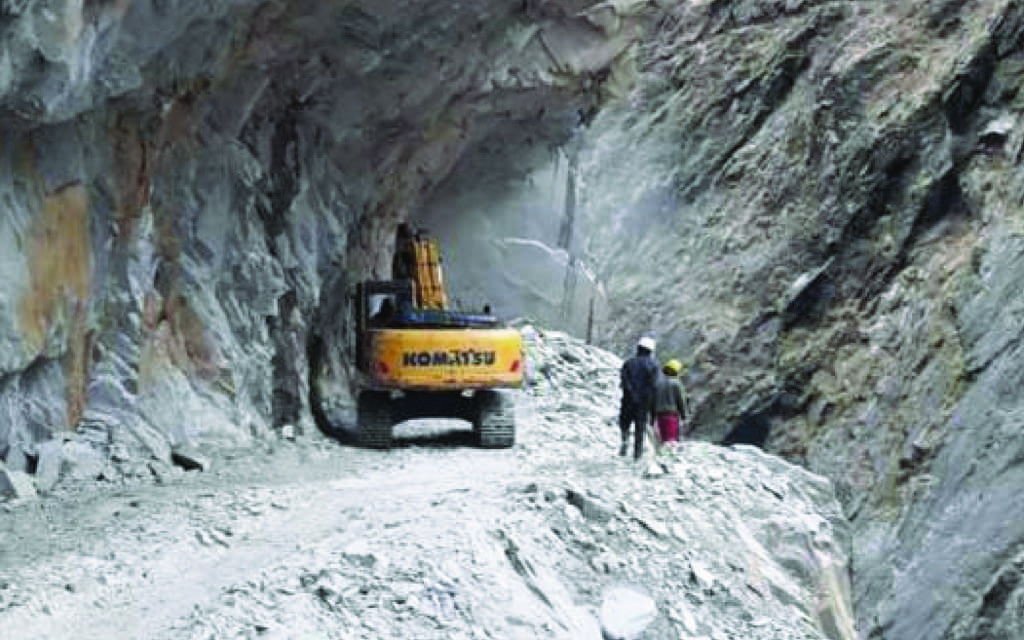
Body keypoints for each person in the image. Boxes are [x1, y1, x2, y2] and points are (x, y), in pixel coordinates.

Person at [619, 336, 659, 460]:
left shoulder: (628, 363)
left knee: (625, 423)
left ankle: (624, 442)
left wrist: (630, 393)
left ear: (638, 348)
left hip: (628, 400)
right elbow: (654, 386)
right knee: (640, 427)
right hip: (644, 402)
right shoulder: (653, 366)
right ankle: (637, 453)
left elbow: (624, 382)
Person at [653, 359, 689, 446]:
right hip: (671, 414)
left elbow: (652, 400)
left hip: (659, 414)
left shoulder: (658, 383)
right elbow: (681, 401)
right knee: (671, 440)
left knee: (662, 439)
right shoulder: (677, 384)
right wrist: (684, 416)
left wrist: (652, 416)